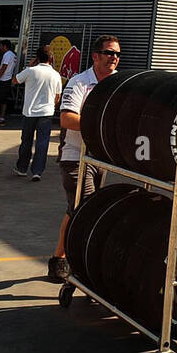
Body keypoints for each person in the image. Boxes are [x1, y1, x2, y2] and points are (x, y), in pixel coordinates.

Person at [48, 34, 121, 282]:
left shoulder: (118, 84)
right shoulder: (79, 82)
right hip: (74, 157)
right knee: (86, 209)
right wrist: (101, 127)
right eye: (109, 53)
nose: (114, 58)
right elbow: (67, 119)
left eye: (117, 54)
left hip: (101, 159)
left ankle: (59, 258)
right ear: (96, 56)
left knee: (77, 210)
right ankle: (81, 264)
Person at [14, 44, 62, 179]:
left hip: (30, 112)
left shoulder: (30, 71)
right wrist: (52, 105)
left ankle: (22, 168)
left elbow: (15, 80)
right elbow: (58, 96)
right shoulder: (56, 75)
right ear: (51, 58)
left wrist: (29, 66)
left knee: (26, 141)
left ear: (37, 58)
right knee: (42, 142)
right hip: (46, 112)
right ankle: (37, 171)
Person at [0, 40, 17, 126]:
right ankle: (1, 117)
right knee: (4, 100)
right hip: (8, 79)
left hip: (3, 79)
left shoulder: (7, 55)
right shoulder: (13, 55)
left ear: (5, 46)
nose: (0, 48)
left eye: (0, 46)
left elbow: (4, 67)